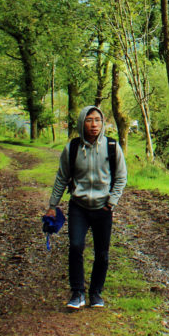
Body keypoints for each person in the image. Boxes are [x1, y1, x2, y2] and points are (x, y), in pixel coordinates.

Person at [45, 105, 127, 310]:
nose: (94, 125)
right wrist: (52, 205)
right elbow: (61, 177)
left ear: (103, 123)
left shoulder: (111, 147)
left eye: (97, 120)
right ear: (82, 122)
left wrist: (112, 202)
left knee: (102, 253)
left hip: (103, 209)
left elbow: (121, 177)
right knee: (75, 247)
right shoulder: (72, 148)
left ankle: (96, 293)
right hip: (78, 207)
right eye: (89, 120)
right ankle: (77, 293)